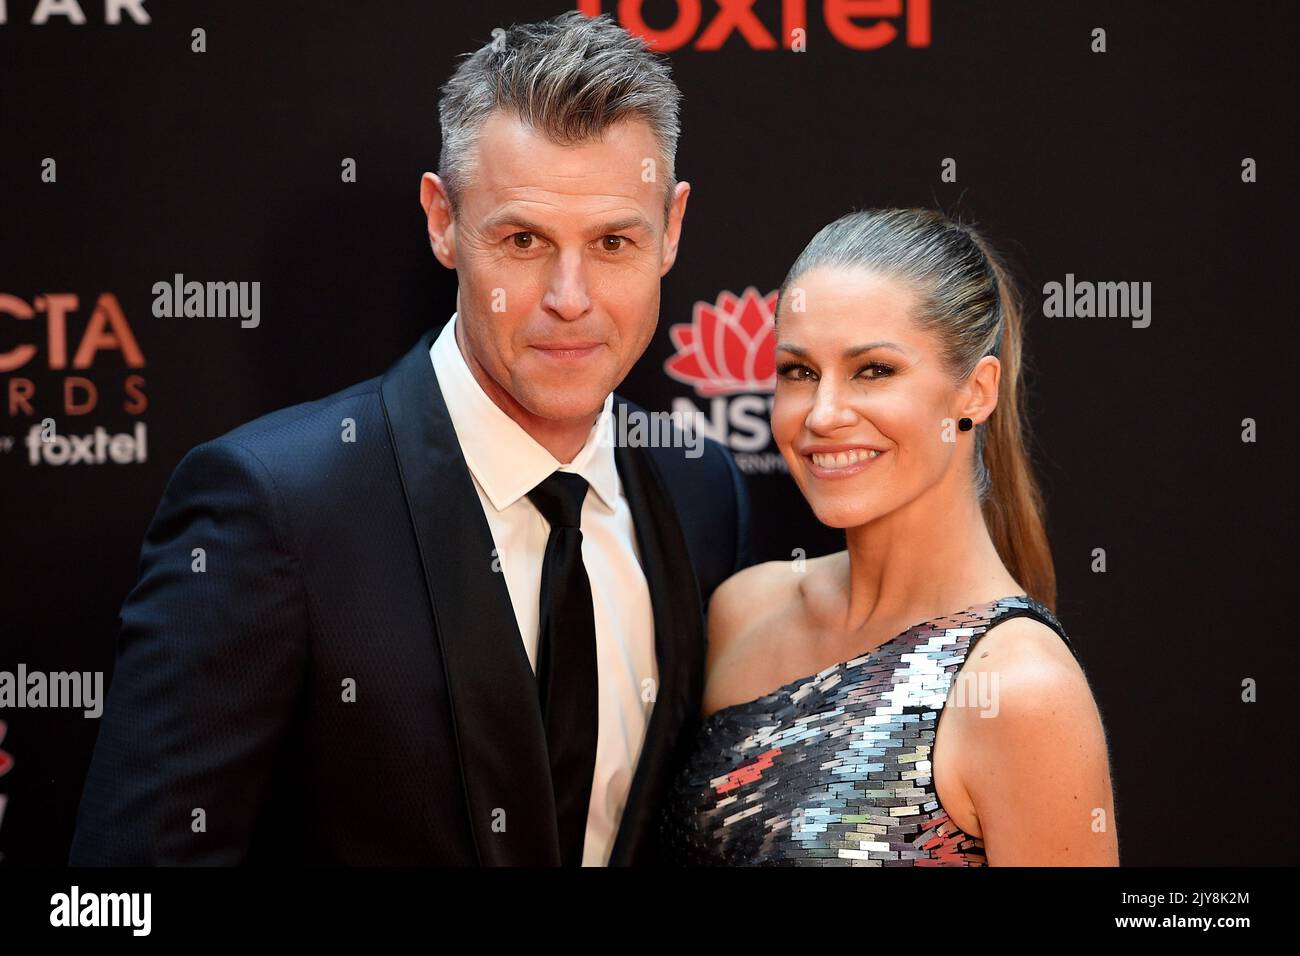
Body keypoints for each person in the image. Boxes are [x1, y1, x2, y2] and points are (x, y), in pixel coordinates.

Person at [69, 11, 750, 867]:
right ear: (441, 219)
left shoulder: (702, 492)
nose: (569, 298)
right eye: (524, 240)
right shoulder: (277, 508)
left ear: (672, 231)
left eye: (613, 241)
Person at [660, 208, 1119, 866]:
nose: (823, 414)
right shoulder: (743, 610)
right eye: (799, 373)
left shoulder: (1021, 692)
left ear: (976, 391)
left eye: (873, 370)